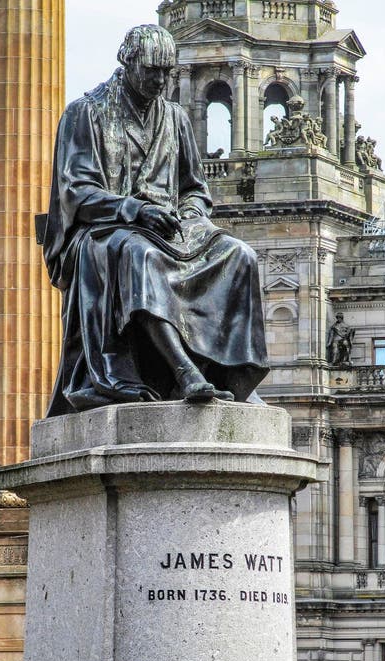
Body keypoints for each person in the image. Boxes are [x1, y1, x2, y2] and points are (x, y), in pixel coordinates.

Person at [43, 24, 269, 415]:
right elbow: (76, 192)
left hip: (172, 227)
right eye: (152, 70)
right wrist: (134, 209)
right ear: (127, 62)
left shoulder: (176, 118)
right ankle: (184, 374)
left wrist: (192, 216)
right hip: (105, 231)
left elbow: (195, 188)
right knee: (139, 256)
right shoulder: (87, 113)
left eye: (166, 72)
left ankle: (229, 376)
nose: (160, 80)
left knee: (240, 255)